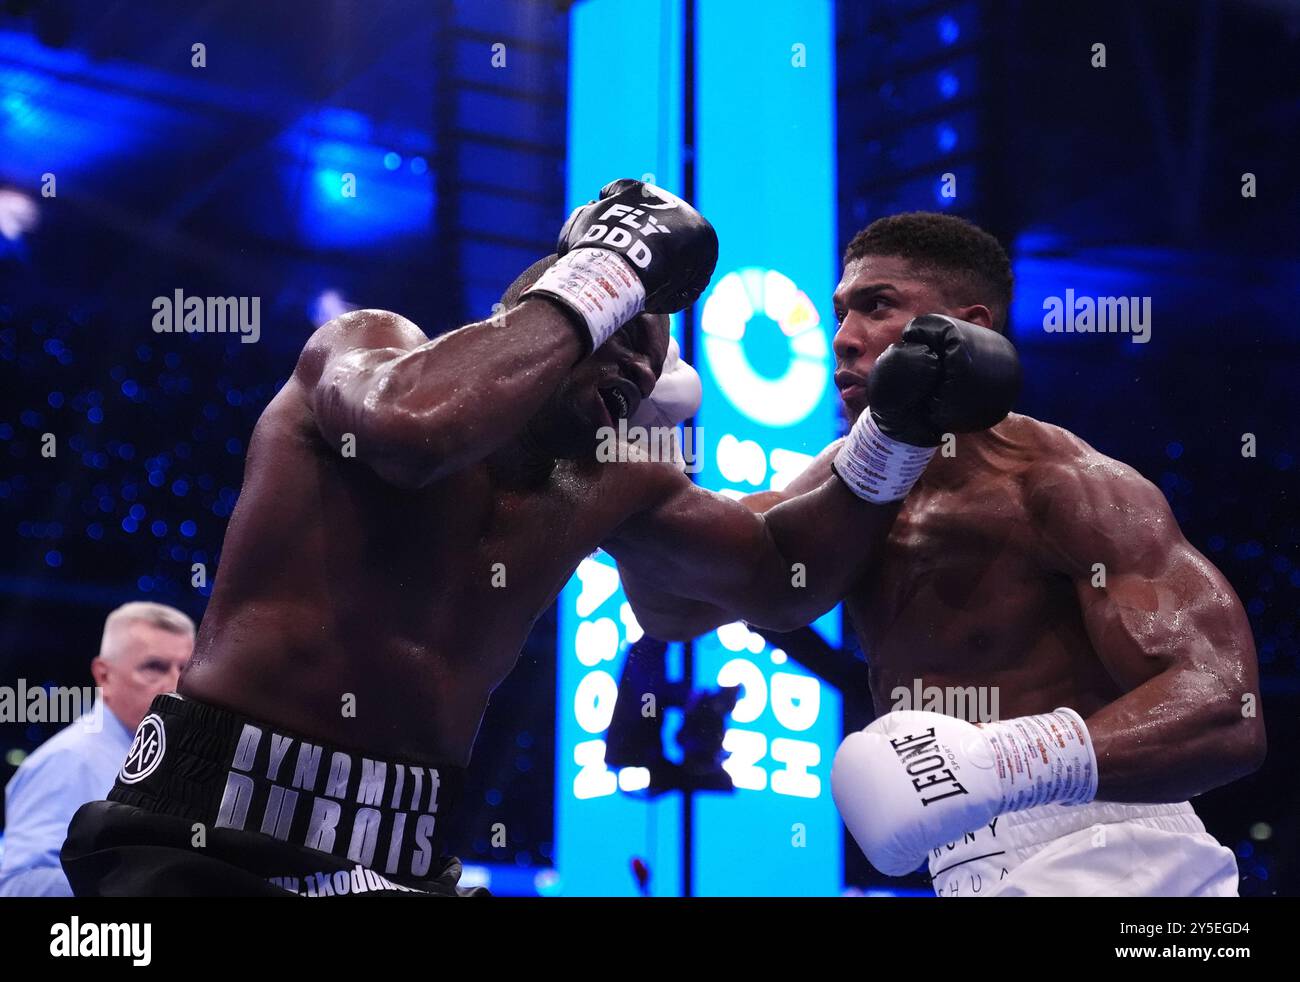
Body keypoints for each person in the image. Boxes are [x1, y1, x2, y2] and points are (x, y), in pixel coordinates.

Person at [60, 182, 1021, 897]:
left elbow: (780, 577)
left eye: (648, 377)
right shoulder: (366, 349)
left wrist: (889, 437)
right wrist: (604, 273)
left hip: (403, 847)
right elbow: (414, 430)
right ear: (547, 316)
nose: (631, 384)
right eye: (616, 346)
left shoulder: (609, 477)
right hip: (203, 821)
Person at [623, 211, 1264, 897]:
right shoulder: (840, 490)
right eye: (840, 313)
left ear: (970, 326)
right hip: (964, 864)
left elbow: (1227, 709)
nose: (844, 339)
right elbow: (672, 607)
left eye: (876, 306)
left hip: (1114, 854)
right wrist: (635, 449)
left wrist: (1003, 763)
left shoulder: (1064, 486)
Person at [0, 601, 193, 896]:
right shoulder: (69, 758)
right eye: (154, 667)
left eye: (185, 668)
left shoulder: (163, 758)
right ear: (104, 675)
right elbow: (16, 885)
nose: (174, 683)